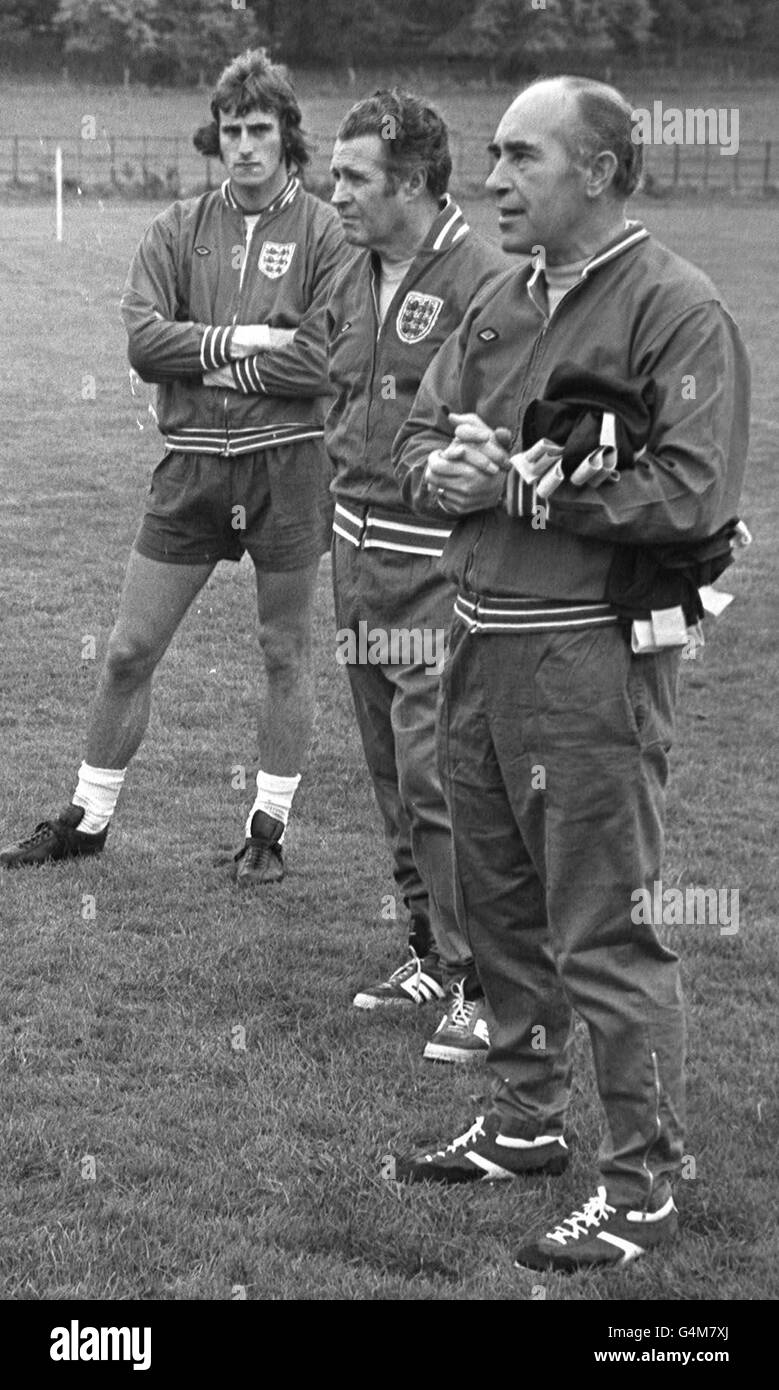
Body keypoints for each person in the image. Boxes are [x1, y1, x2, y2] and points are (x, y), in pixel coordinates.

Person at [390, 76, 750, 1269]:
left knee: (603, 927)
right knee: (493, 905)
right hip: (476, 637)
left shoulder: (673, 305)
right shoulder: (498, 294)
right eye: (492, 155)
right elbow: (417, 423)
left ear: (594, 172)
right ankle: (522, 1120)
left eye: (520, 158)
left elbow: (693, 493)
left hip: (587, 657)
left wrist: (516, 485)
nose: (491, 178)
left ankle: (642, 1182)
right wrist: (441, 463)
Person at [0, 49, 350, 885]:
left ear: (286, 135)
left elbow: (322, 362)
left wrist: (199, 358)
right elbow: (141, 341)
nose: (244, 147)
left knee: (281, 650)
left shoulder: (327, 231)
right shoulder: (178, 227)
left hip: (288, 468)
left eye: (260, 129)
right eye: (231, 131)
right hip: (191, 467)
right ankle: (87, 820)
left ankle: (266, 830)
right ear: (216, 136)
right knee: (127, 649)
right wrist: (249, 341)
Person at [326, 91, 507, 1061]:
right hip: (351, 560)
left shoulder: (486, 282)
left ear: (411, 182)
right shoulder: (346, 271)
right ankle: (427, 949)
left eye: (354, 176)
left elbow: (503, 425)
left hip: (433, 566)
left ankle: (485, 980)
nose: (335, 190)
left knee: (439, 777)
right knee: (389, 773)